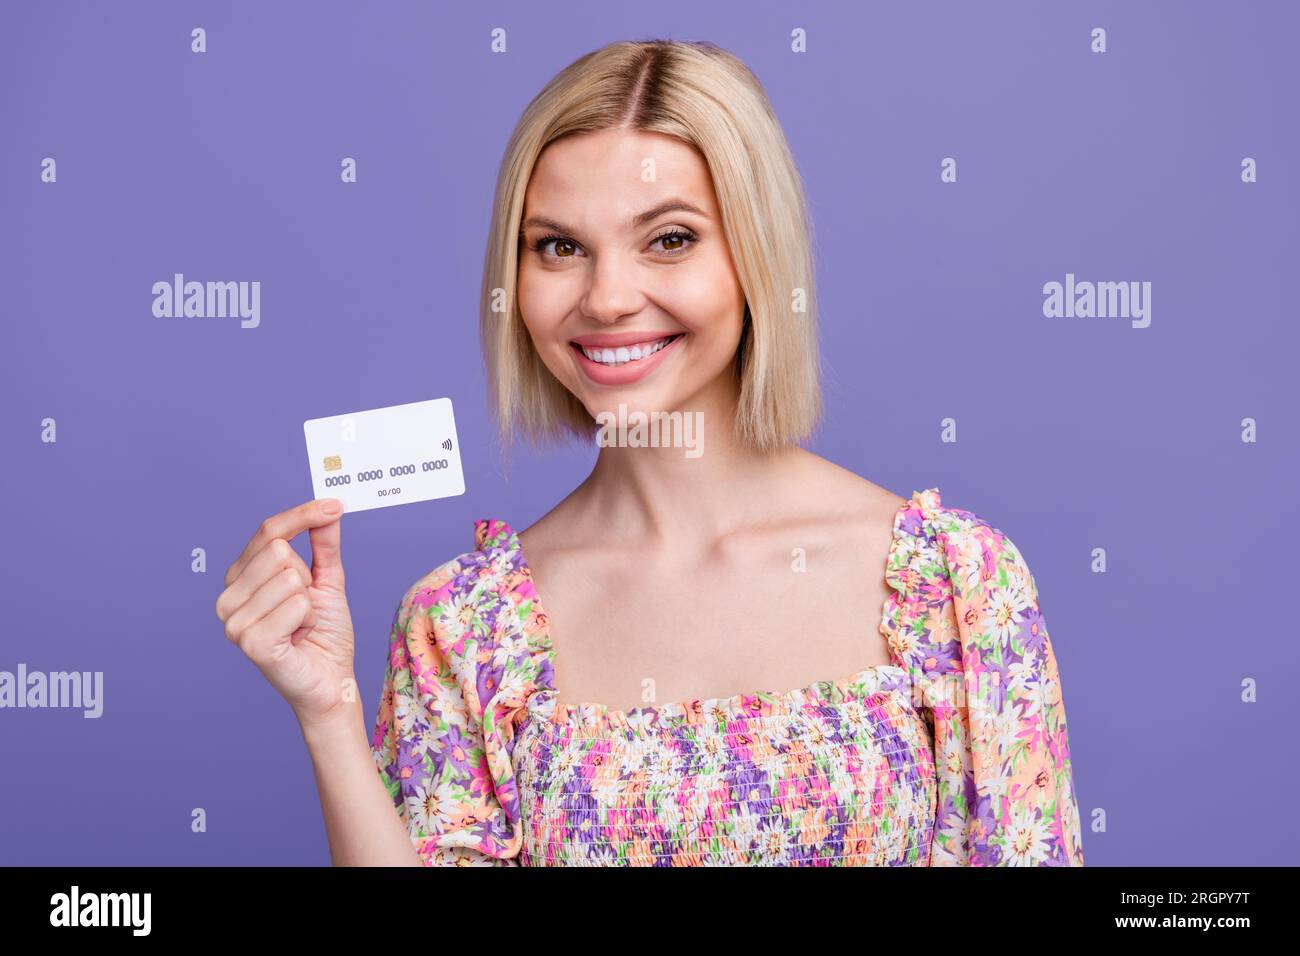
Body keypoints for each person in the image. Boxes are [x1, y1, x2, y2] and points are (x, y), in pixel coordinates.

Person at [215, 39, 1084, 867]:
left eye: (669, 239)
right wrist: (329, 713)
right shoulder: (463, 626)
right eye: (560, 247)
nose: (607, 297)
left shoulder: (956, 584)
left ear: (756, 257)